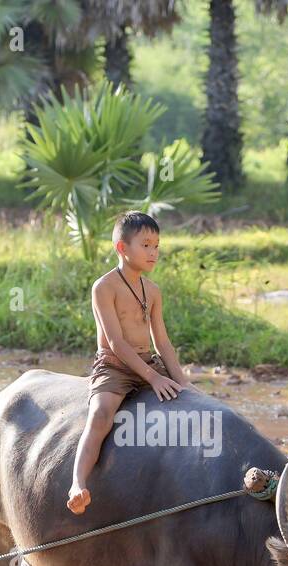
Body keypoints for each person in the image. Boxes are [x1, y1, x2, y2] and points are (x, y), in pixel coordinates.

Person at [67, 211, 195, 515]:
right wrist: (153, 378)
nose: (153, 252)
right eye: (146, 245)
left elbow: (162, 342)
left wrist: (183, 383)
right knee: (100, 414)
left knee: (191, 406)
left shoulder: (152, 291)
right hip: (115, 365)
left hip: (147, 361)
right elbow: (115, 342)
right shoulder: (104, 287)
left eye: (156, 245)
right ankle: (77, 483)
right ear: (122, 248)